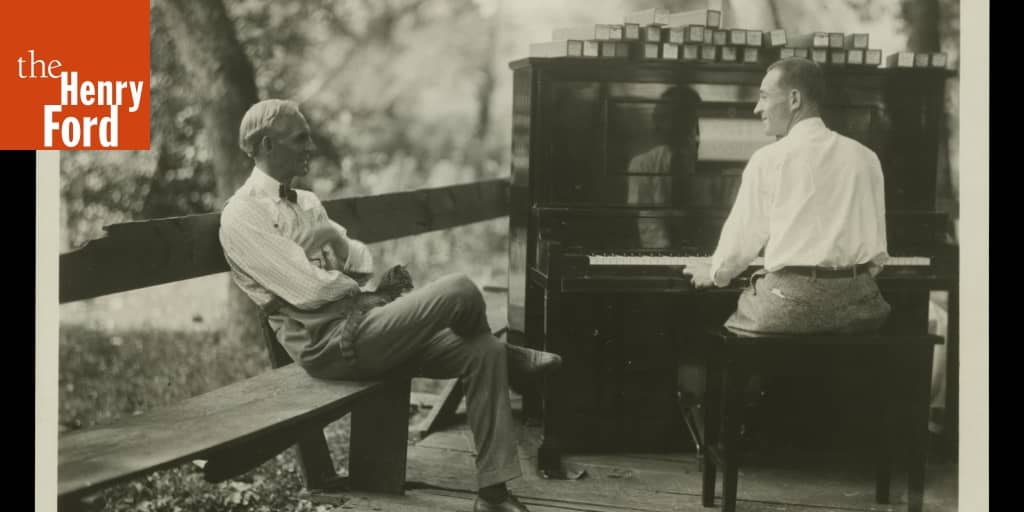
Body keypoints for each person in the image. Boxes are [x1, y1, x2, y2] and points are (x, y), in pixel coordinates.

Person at [218, 99, 561, 512]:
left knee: (482, 352)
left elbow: (363, 263)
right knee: (460, 290)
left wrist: (329, 237)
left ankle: (493, 493)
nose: (311, 146)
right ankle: (516, 365)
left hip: (367, 326)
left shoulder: (307, 203)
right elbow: (307, 290)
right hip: (329, 346)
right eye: (301, 138)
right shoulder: (241, 216)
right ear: (267, 145)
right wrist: (339, 273)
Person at [683, 57, 891, 334]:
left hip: (791, 304)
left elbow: (742, 241)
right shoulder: (866, 157)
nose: (758, 108)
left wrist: (714, 273)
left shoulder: (768, 159)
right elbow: (877, 254)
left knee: (708, 328)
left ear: (794, 99)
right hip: (860, 304)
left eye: (764, 97)